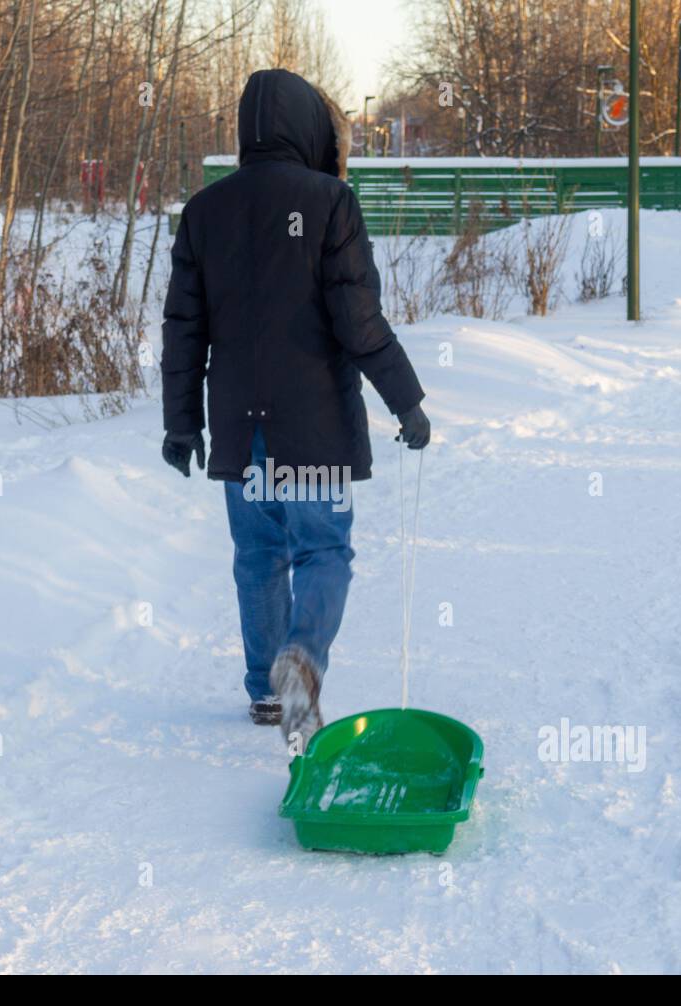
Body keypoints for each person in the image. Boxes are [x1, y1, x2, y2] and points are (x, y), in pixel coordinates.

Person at [160, 69, 430, 749]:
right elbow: (359, 323)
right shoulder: (330, 203)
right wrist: (408, 400)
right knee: (323, 549)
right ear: (308, 127)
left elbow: (182, 329)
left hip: (238, 425)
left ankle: (265, 689)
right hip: (316, 427)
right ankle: (302, 659)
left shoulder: (205, 211)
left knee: (258, 552)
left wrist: (180, 421)